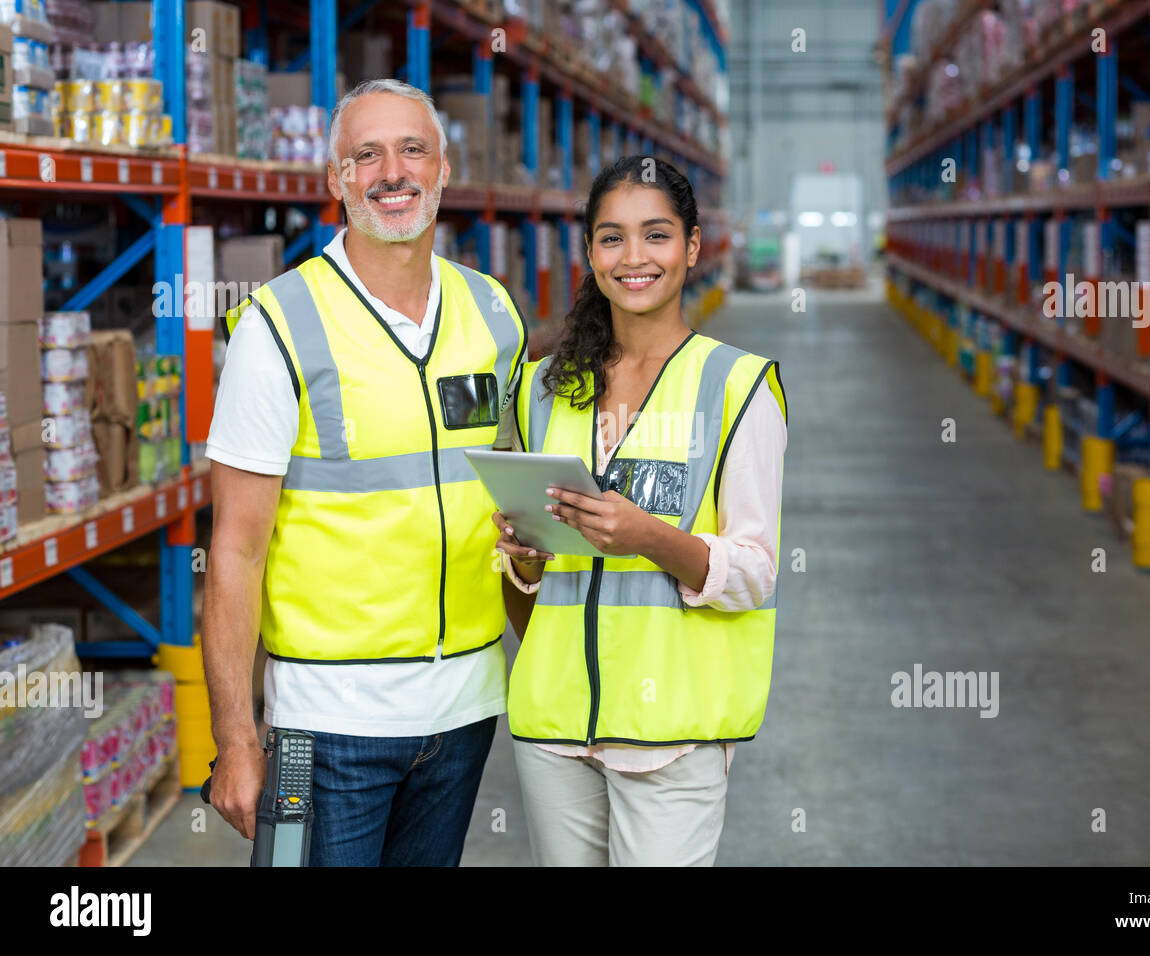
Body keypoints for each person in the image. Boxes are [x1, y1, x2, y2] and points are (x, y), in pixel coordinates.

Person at [202, 79, 528, 866]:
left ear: (444, 169)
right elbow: (236, 551)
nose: (393, 171)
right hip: (321, 724)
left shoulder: (493, 314)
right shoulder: (276, 326)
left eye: (413, 149)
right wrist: (236, 739)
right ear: (336, 180)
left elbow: (515, 507)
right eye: (366, 154)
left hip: (463, 712)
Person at [493, 156, 788, 866]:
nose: (633, 258)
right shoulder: (541, 390)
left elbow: (756, 575)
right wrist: (524, 561)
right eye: (611, 238)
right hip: (554, 725)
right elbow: (522, 586)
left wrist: (649, 536)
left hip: (671, 736)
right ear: (589, 253)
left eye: (656, 236)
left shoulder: (735, 387)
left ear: (692, 247)